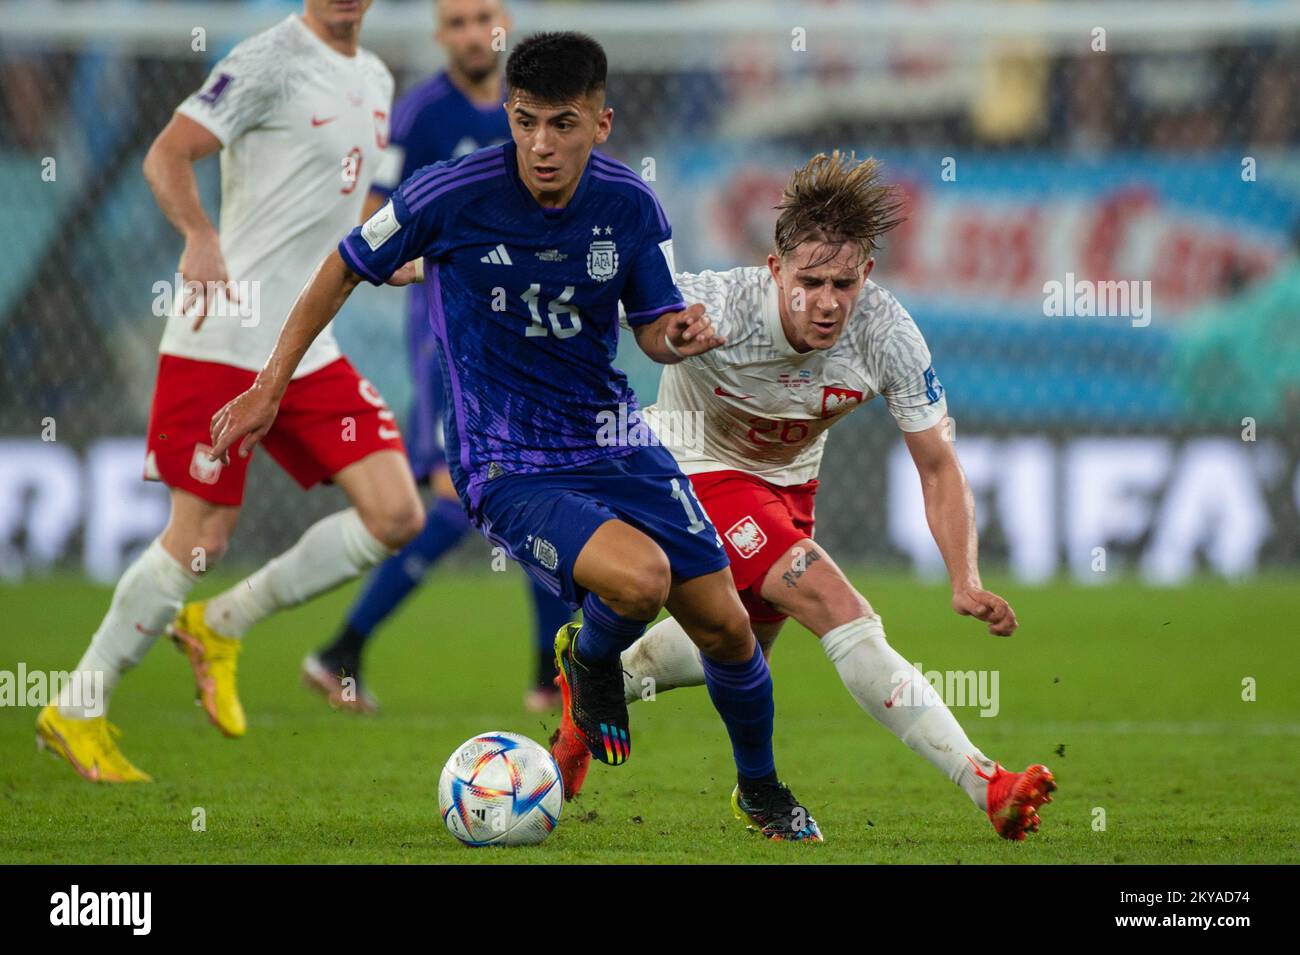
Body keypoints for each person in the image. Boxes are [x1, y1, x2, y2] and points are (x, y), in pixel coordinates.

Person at [209, 31, 824, 841]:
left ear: (601, 124)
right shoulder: (447, 193)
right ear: (508, 115)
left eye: (562, 123)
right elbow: (344, 265)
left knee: (728, 626)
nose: (541, 143)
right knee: (639, 580)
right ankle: (590, 659)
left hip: (612, 438)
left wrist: (682, 334)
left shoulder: (631, 206)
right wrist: (269, 385)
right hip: (504, 458)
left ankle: (760, 791)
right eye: (526, 120)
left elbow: (652, 327)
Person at [552, 151, 1057, 841]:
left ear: (866, 276)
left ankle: (589, 678)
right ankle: (986, 783)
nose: (825, 301)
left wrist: (964, 577)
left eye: (842, 283)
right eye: (808, 281)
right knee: (838, 606)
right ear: (774, 269)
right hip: (693, 467)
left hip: (788, 484)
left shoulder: (888, 335)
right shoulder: (719, 304)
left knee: (736, 643)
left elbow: (938, 466)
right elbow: (599, 297)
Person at [36, 0, 423, 783]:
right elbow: (167, 154)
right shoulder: (268, 58)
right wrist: (200, 236)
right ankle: (76, 705)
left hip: (309, 344)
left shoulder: (377, 76)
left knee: (396, 512)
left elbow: (351, 209)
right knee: (202, 536)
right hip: (226, 333)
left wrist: (394, 256)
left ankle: (223, 621)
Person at [306, 0, 574, 716]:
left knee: (540, 497)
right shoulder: (422, 115)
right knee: (458, 498)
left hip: (531, 339)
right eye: (454, 21)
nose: (470, 33)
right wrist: (453, 262)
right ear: (438, 35)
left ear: (504, 23)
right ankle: (343, 648)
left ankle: (548, 681)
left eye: (481, 16)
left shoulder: (535, 112)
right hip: (450, 342)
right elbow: (372, 224)